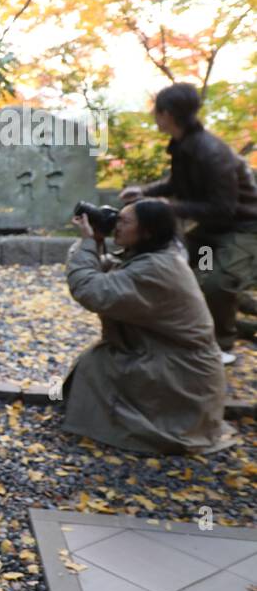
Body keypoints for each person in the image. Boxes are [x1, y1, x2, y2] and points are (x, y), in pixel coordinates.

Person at [63, 199, 232, 455]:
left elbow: (91, 290)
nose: (116, 225)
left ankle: (150, 423)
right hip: (169, 360)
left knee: (97, 366)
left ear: (148, 231)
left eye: (124, 221)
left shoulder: (157, 268)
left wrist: (87, 244)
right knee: (95, 363)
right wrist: (95, 240)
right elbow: (108, 271)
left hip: (181, 375)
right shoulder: (155, 256)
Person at [120, 83, 257, 363]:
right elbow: (177, 183)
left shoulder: (211, 152)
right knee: (190, 270)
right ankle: (227, 318)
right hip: (211, 230)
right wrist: (145, 192)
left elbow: (223, 207)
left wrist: (168, 207)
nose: (153, 116)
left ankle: (221, 345)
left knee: (218, 284)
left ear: (167, 114)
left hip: (240, 229)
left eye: (156, 111)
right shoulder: (184, 145)